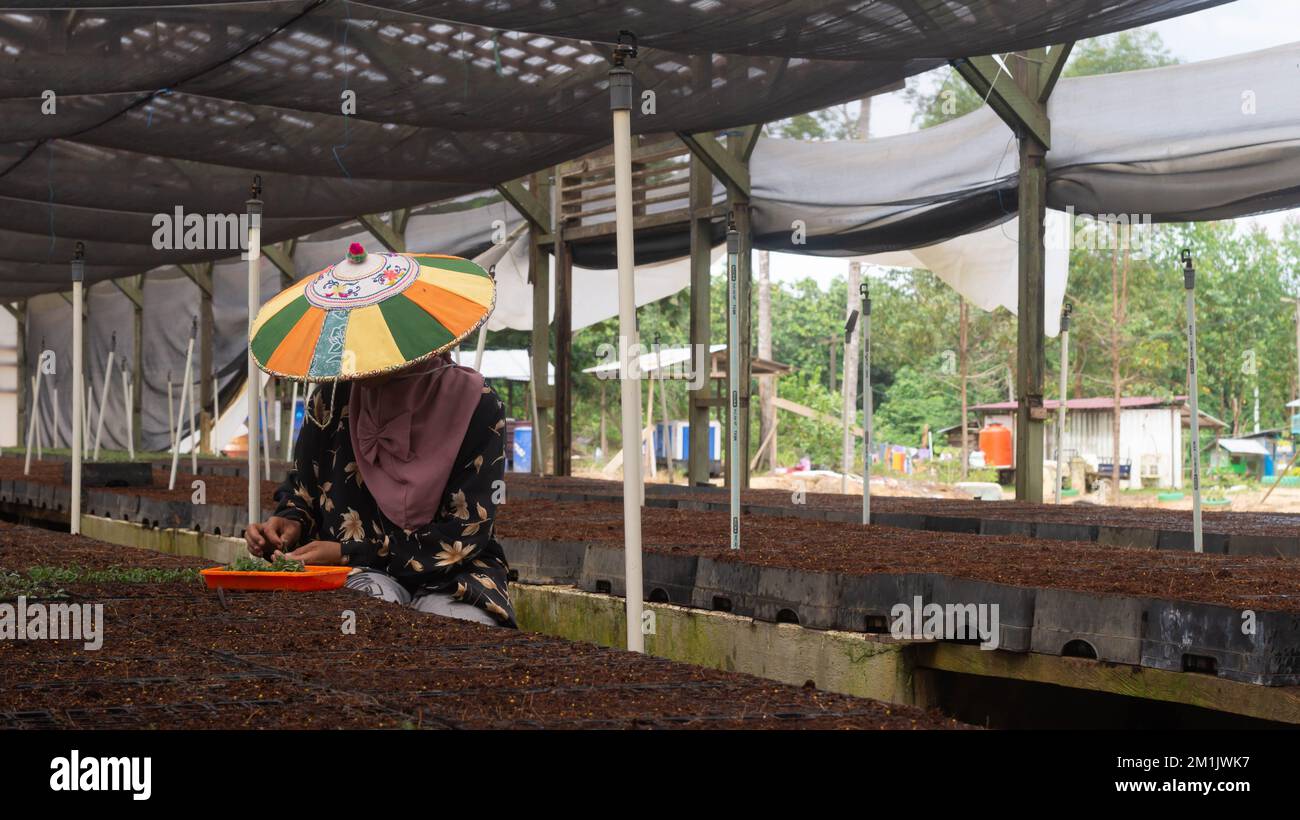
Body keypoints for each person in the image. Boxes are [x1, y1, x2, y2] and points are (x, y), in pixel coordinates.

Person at [246, 353, 515, 628]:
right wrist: (290, 521)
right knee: (364, 622)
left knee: (458, 634)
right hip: (355, 571)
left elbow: (466, 530)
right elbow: (303, 488)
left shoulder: (475, 403)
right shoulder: (332, 398)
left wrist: (347, 551)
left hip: (455, 573)